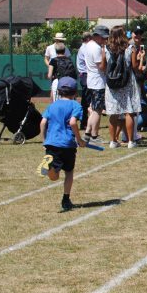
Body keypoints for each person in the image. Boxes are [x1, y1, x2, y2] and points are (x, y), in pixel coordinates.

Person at [38, 76, 89, 212]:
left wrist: (44, 141)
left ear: (59, 92)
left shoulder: (52, 105)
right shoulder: (76, 105)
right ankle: (66, 199)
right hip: (67, 144)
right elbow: (73, 122)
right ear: (75, 92)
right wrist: (79, 140)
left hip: (51, 143)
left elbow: (42, 123)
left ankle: (49, 167)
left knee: (54, 177)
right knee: (69, 171)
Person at [104, 25, 141, 148]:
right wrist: (140, 60)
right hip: (127, 82)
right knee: (129, 111)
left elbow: (103, 67)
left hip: (112, 84)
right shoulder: (130, 48)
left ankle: (113, 141)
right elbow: (134, 67)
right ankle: (131, 141)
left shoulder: (105, 48)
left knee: (113, 113)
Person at [81, 25, 109, 143]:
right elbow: (102, 67)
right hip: (98, 82)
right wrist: (104, 56)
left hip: (92, 81)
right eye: (103, 38)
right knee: (97, 109)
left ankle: (88, 133)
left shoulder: (88, 45)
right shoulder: (96, 48)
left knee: (94, 108)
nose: (105, 40)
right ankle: (94, 135)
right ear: (96, 36)